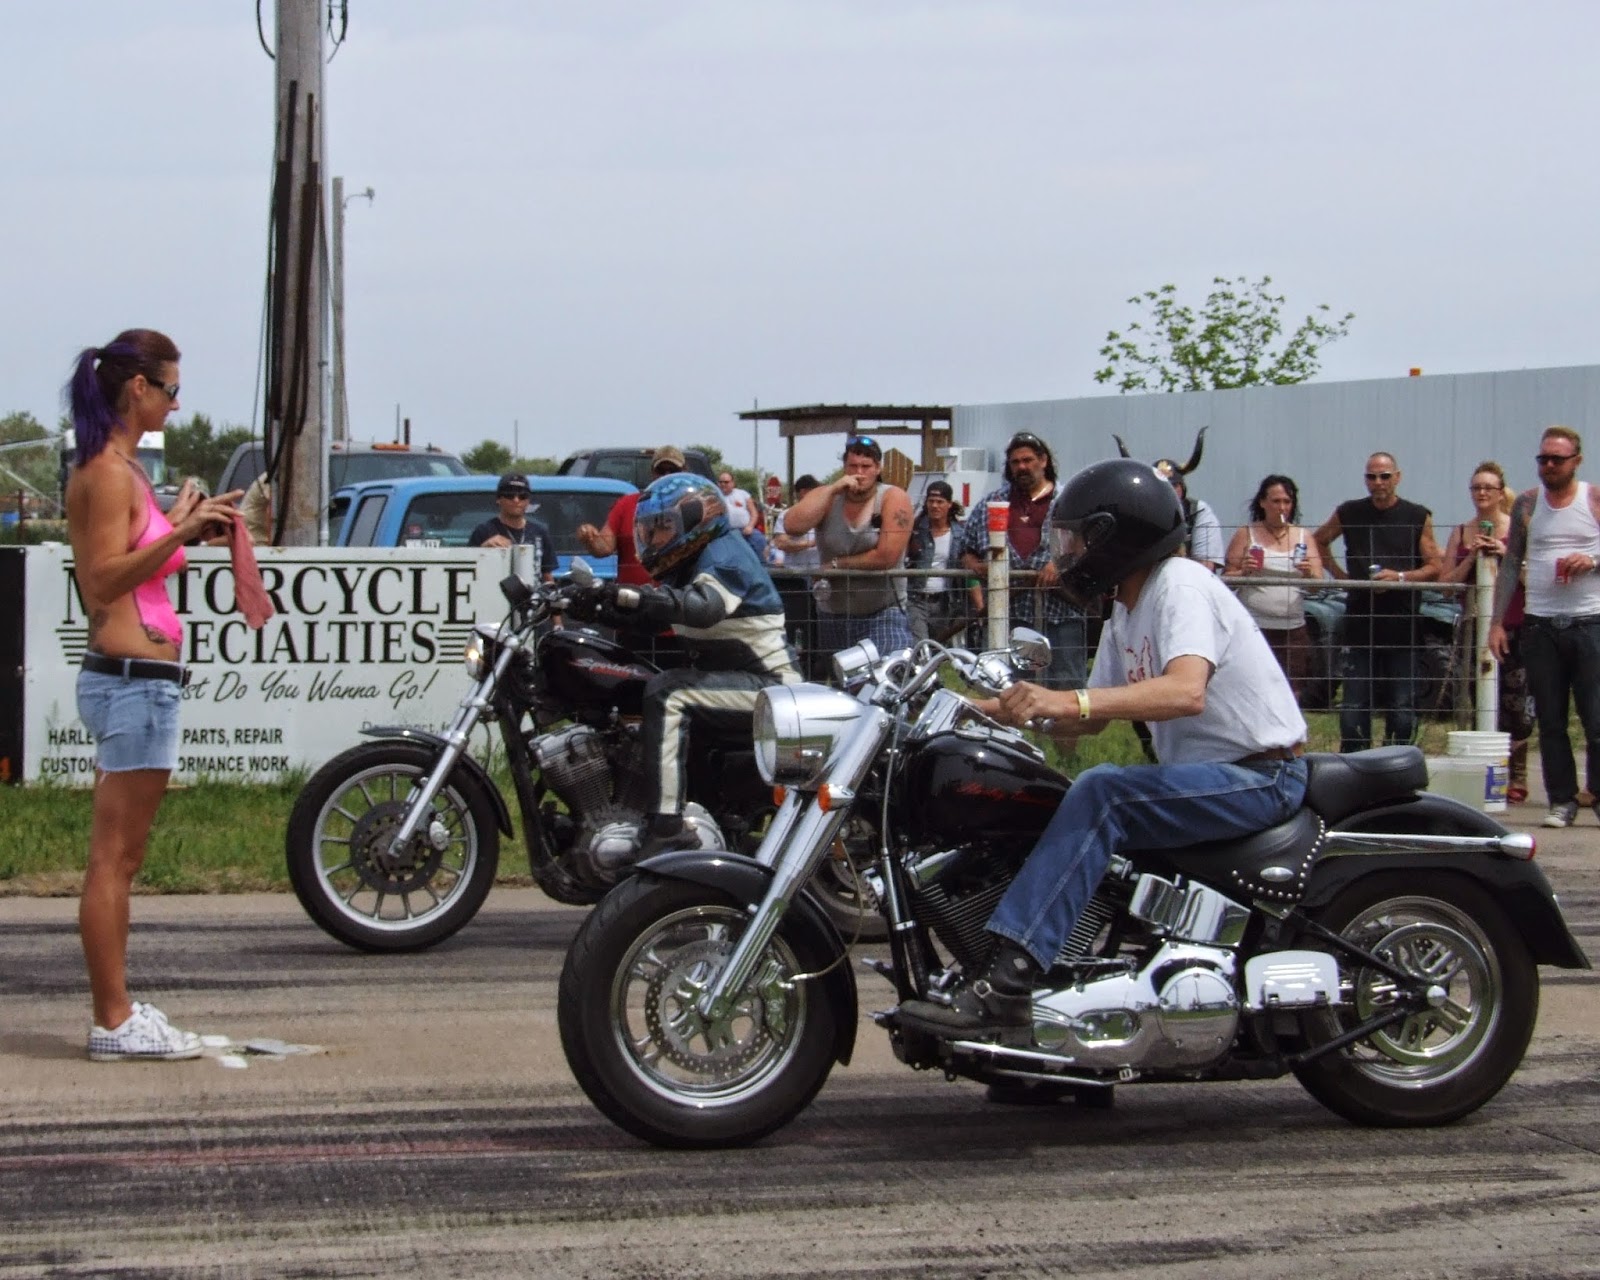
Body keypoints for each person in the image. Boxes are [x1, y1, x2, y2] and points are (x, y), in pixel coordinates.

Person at [898, 458, 1308, 1040]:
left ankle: (1009, 979)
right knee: (1049, 793)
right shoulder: (1126, 610)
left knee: (1105, 794)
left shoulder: (1181, 585)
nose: (1066, 555)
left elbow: (1185, 689)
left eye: (1078, 539)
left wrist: (1069, 705)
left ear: (1120, 537)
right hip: (1215, 777)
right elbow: (1082, 719)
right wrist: (959, 712)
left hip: (1261, 777)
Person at [63, 329, 245, 1062]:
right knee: (115, 858)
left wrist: (186, 524)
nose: (176, 403)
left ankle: (121, 1010)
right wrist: (182, 531)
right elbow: (100, 580)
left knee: (120, 857)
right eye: (171, 390)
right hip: (134, 686)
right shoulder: (108, 472)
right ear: (137, 388)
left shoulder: (125, 471)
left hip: (138, 683)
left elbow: (135, 566)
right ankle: (113, 1020)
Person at [586, 473, 801, 861]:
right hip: (740, 681)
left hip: (771, 688)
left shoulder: (725, 554)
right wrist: (593, 603)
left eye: (663, 527)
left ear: (695, 520)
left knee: (670, 693)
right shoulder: (687, 564)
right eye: (648, 530)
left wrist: (631, 595)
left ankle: (666, 829)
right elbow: (656, 614)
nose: (653, 540)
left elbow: (702, 608)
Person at [1489, 427, 1600, 828]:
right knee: (1550, 720)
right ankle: (1561, 800)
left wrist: (1592, 560)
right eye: (1543, 459)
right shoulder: (1527, 504)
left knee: (1595, 718)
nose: (1549, 466)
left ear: (1576, 461)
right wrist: (1497, 621)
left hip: (1589, 622)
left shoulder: (1592, 498)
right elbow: (1510, 563)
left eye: (1557, 459)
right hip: (1541, 625)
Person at [1313, 451, 1442, 752]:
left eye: (1385, 476)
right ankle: (1354, 765)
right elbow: (1318, 540)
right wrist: (1342, 576)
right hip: (1360, 620)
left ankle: (1396, 762)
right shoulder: (1349, 512)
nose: (1378, 482)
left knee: (1401, 706)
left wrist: (1399, 578)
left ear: (1397, 477)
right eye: (1371, 476)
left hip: (1402, 623)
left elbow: (1435, 567)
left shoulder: (1417, 515)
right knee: (1354, 703)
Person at [960, 431, 1086, 688]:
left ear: (1043, 461)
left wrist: (1060, 564)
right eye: (1016, 462)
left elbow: (1088, 547)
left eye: (1027, 460)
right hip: (1010, 617)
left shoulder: (1069, 501)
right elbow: (964, 549)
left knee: (1064, 691)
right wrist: (974, 566)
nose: (1022, 467)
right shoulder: (991, 502)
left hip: (1060, 615)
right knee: (1015, 690)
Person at [1441, 461, 1533, 802]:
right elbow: (1445, 585)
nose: (1481, 493)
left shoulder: (1518, 529)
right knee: (1478, 700)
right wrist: (1471, 559)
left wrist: (1506, 555)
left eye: (1488, 488)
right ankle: (1488, 771)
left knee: (1517, 702)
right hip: (1475, 627)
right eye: (1476, 487)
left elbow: (1534, 579)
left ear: (1499, 492)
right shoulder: (1462, 531)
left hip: (1515, 625)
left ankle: (1518, 768)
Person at [781, 435, 915, 654]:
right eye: (853, 466)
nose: (859, 473)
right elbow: (792, 526)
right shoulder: (827, 496)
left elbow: (886, 556)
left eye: (866, 466)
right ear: (844, 467)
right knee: (840, 684)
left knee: (886, 680)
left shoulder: (893, 497)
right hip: (833, 612)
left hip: (881, 612)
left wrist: (835, 565)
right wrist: (832, 489)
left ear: (878, 468)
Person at [1222, 474, 1324, 699]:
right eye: (1276, 501)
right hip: (1254, 627)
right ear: (1263, 502)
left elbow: (1318, 583)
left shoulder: (1303, 536)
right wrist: (1243, 572)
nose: (1282, 507)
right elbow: (1225, 580)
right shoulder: (1246, 533)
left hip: (1293, 628)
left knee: (1291, 691)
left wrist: (1308, 574)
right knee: (1253, 688)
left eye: (1287, 502)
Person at [1115, 429, 1224, 570]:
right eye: (1162, 485)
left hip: (1191, 583)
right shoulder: (1140, 513)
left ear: (1182, 487)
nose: (1169, 490)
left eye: (1174, 485)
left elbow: (1206, 565)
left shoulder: (1198, 511)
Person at [576, 445, 684, 585]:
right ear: (653, 472)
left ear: (683, 473)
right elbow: (604, 548)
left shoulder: (692, 505)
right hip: (632, 599)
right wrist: (590, 538)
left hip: (678, 598)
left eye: (673, 471)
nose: (667, 475)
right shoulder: (627, 504)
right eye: (661, 470)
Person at [906, 480, 978, 644]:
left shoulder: (960, 534)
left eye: (940, 502)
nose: (935, 506)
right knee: (920, 646)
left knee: (938, 647)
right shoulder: (915, 529)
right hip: (916, 598)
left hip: (946, 601)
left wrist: (979, 606)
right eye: (931, 501)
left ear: (949, 504)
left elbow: (969, 571)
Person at [469, 472, 556, 581]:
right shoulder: (483, 531)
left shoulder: (540, 532)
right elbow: (469, 570)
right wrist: (484, 550)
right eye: (509, 495)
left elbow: (547, 575)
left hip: (533, 595)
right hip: (494, 593)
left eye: (522, 496)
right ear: (498, 499)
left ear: (528, 501)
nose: (516, 500)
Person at [770, 474, 822, 570]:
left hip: (820, 573)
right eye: (816, 492)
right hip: (795, 574)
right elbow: (782, 544)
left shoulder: (823, 514)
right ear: (804, 492)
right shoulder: (786, 515)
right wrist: (811, 543)